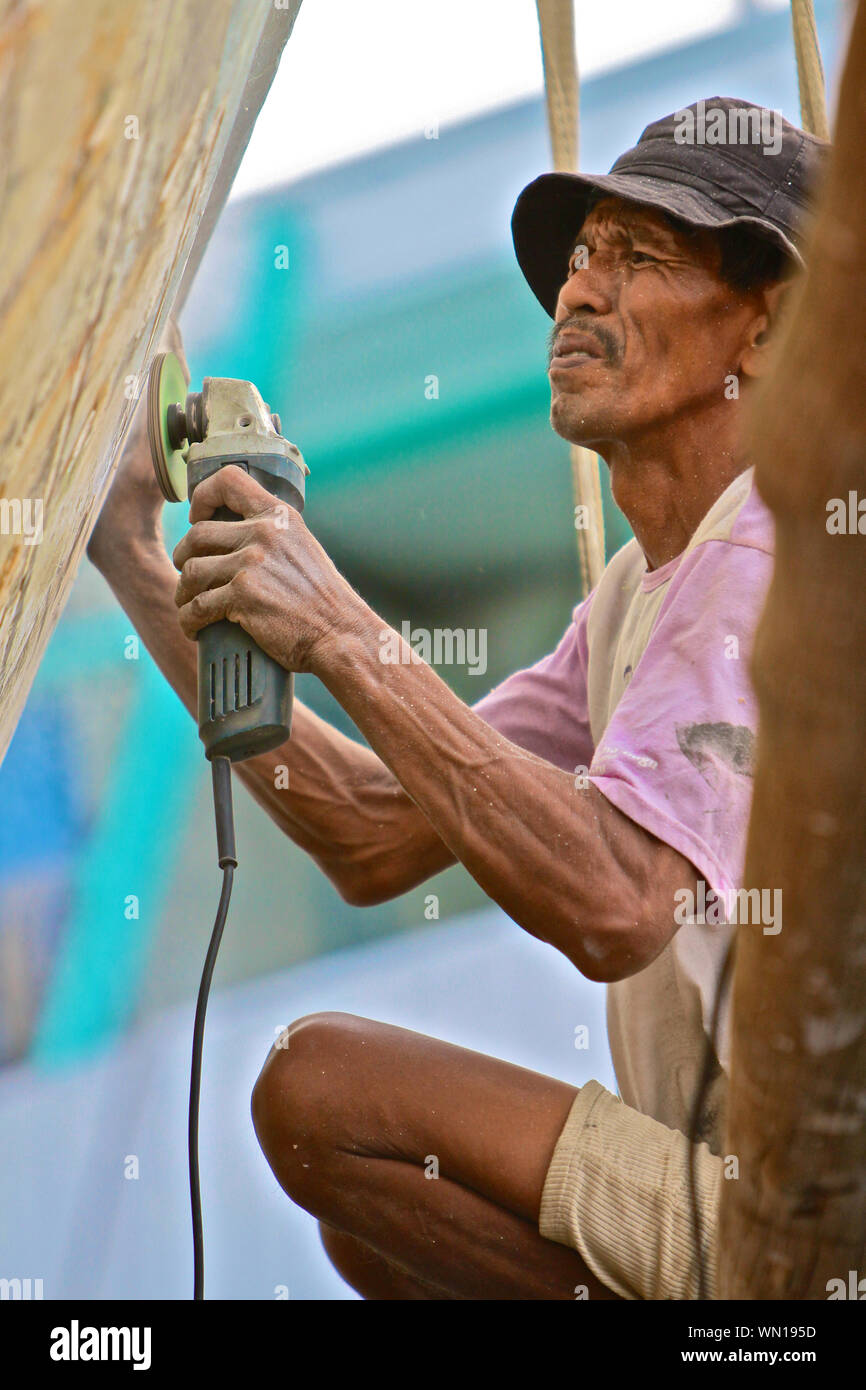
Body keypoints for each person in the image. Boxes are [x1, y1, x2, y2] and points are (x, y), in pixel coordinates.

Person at [87, 97, 828, 1299]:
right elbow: (369, 831)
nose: (580, 292)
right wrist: (130, 542)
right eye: (583, 255)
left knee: (321, 1090)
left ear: (768, 326)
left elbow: (616, 901)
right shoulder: (644, 590)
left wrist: (331, 620)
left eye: (639, 258)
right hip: (743, 1227)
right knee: (381, 1220)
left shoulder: (772, 551)